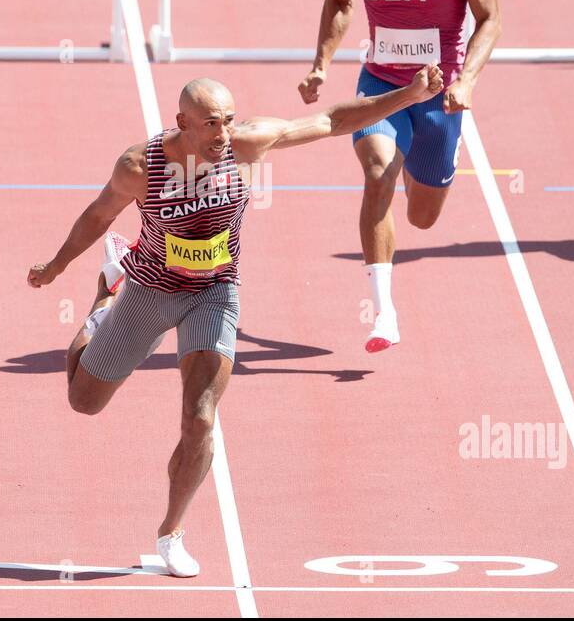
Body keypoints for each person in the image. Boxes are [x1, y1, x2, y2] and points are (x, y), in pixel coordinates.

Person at [27, 71, 444, 576]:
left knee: (200, 415)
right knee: (83, 401)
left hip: (215, 294)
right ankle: (105, 297)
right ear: (182, 122)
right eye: (210, 125)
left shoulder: (245, 144)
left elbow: (331, 120)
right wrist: (55, 266)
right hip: (150, 291)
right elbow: (97, 216)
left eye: (226, 121)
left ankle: (170, 533)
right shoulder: (140, 165)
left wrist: (411, 95)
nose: (222, 134)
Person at [298, 0, 501, 351]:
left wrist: (467, 82)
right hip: (381, 86)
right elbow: (340, 1)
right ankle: (384, 312)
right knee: (377, 174)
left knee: (423, 217)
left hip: (439, 94)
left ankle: (418, 165)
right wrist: (321, 62)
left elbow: (490, 17)